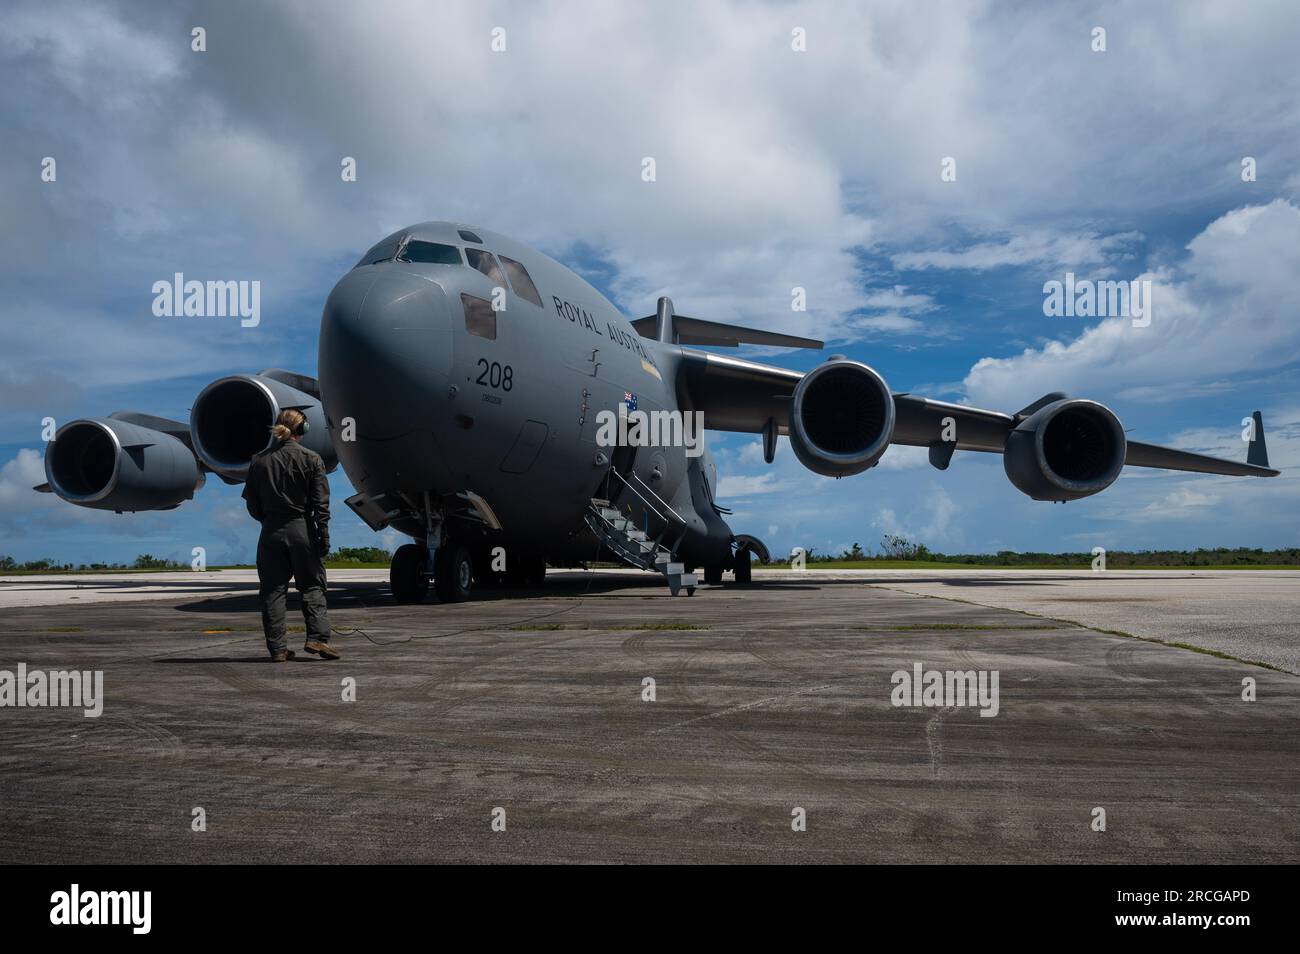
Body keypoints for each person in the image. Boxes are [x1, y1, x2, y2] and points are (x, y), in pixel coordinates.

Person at [241, 408, 340, 662]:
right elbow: (321, 505)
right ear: (303, 429)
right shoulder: (312, 459)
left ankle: (278, 649)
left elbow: (251, 504)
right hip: (302, 530)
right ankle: (317, 639)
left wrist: (269, 521)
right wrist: (323, 536)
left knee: (273, 591)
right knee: (312, 586)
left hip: (271, 532)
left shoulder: (259, 461)